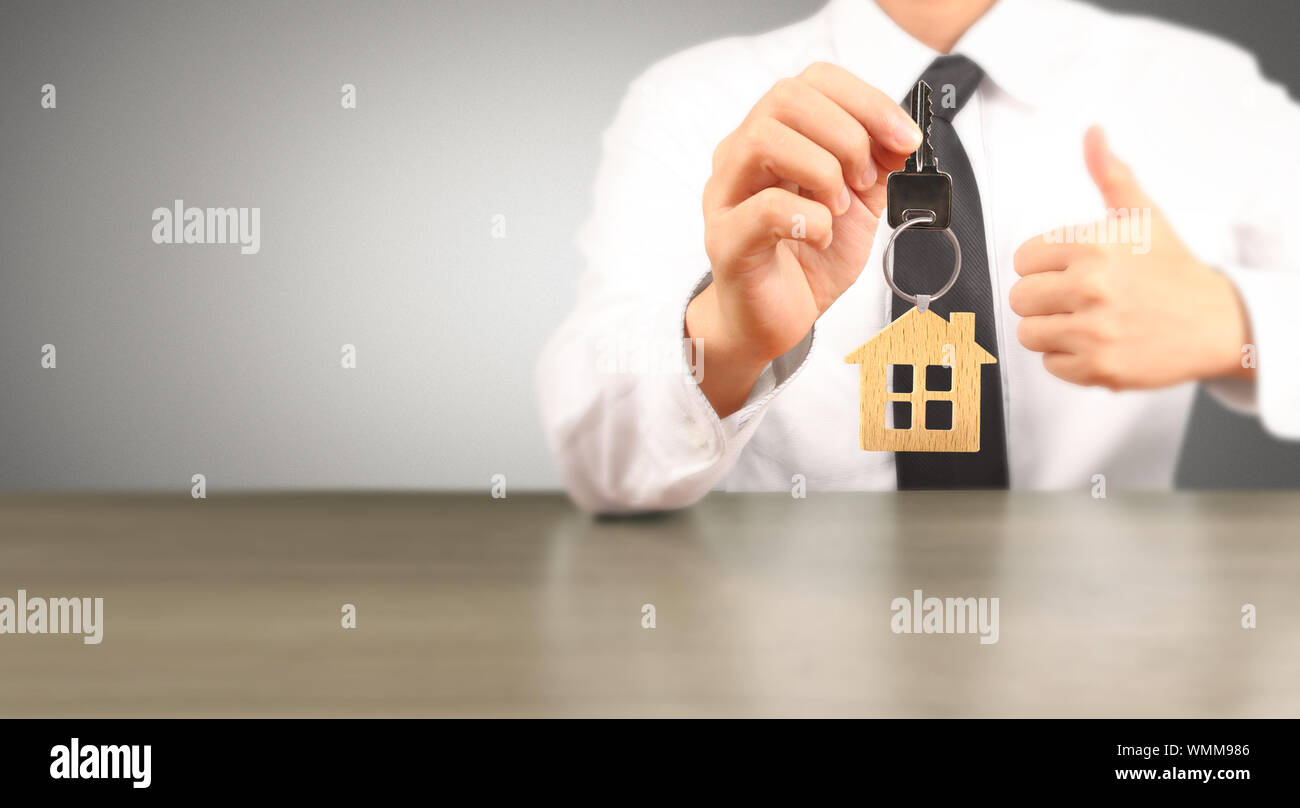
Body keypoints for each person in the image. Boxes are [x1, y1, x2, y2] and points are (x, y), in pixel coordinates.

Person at [537, 0, 1300, 512]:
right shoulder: (689, 103)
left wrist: (1236, 324)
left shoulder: (1209, 90)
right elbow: (604, 471)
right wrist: (728, 337)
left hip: (1106, 653)